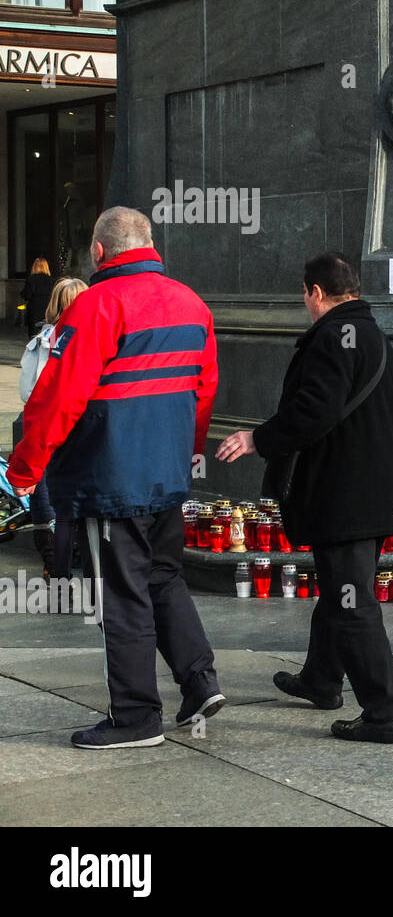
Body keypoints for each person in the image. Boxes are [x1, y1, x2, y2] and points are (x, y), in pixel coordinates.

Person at [8, 208, 223, 749]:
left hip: (112, 477)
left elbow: (57, 398)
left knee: (121, 595)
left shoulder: (95, 307)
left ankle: (134, 717)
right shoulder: (191, 303)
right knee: (164, 577)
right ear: (149, 242)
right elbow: (203, 391)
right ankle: (199, 683)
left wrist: (24, 470)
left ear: (100, 253)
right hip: (165, 474)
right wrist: (185, 455)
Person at [217, 252, 393, 743]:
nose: (305, 303)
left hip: (344, 495)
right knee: (341, 588)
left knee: (352, 602)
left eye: (304, 295)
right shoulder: (376, 336)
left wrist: (256, 439)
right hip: (373, 491)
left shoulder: (333, 338)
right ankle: (322, 680)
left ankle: (384, 713)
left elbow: (313, 412)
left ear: (316, 292)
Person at [19, 277, 88, 579]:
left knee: (49, 504)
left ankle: (55, 568)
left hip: (45, 429)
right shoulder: (91, 339)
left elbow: (26, 392)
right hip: (81, 431)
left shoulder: (40, 341)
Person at [19, 258, 53, 338]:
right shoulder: (51, 279)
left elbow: (27, 295)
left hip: (34, 307)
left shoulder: (31, 279)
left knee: (33, 331)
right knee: (47, 329)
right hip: (48, 306)